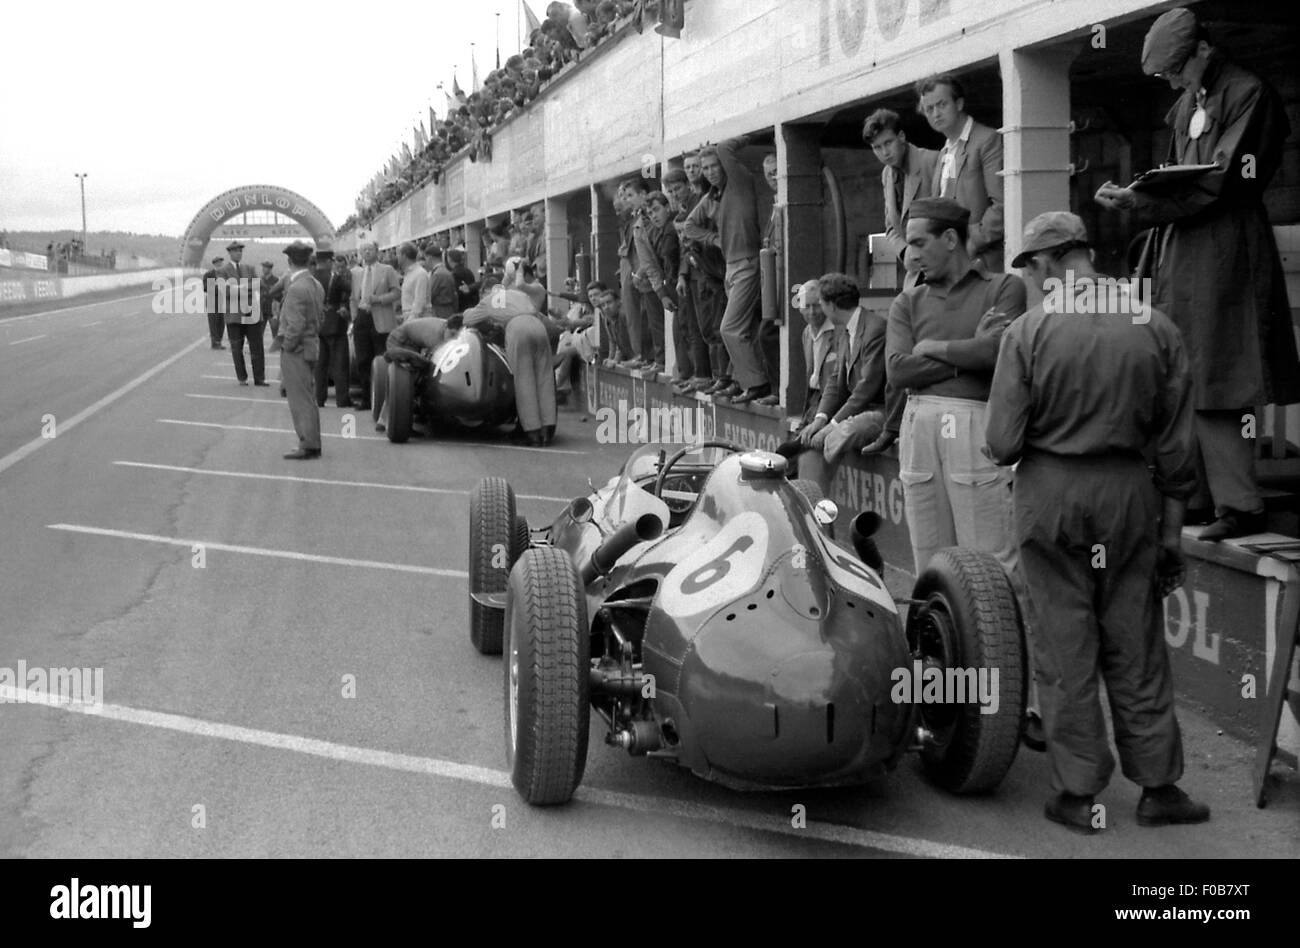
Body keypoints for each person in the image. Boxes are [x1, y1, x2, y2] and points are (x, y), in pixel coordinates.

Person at [986, 211, 1209, 832]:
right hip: (1131, 496)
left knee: (1065, 645)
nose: (1030, 278)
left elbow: (1002, 443)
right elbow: (1177, 451)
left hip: (1052, 495)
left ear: (1052, 261)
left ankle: (1080, 795)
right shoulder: (1157, 326)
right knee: (1135, 644)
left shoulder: (1028, 331)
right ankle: (1160, 788)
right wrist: (1170, 537)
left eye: (1030, 266)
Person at [1094, 7, 1299, 541]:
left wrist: (1143, 205)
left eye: (1175, 72)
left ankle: (1241, 505)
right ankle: (1201, 499)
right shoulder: (1189, 102)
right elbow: (1170, 180)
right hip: (1181, 248)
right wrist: (1133, 197)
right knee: (1183, 373)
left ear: (1203, 51)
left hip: (1225, 246)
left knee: (1219, 374)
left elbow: (1222, 183)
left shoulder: (1247, 93)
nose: (1172, 83)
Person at [887, 197, 1024, 577]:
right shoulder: (908, 301)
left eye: (918, 243)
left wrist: (932, 349)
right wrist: (966, 357)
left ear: (949, 238)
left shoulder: (1003, 288)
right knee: (930, 557)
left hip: (977, 424)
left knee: (989, 559)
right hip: (919, 428)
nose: (910, 256)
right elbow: (898, 371)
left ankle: (996, 637)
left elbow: (998, 352)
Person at [684, 137, 769, 403]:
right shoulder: (713, 197)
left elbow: (724, 148)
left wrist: (752, 130)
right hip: (730, 268)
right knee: (744, 329)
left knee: (730, 328)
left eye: (714, 166)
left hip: (747, 263)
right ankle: (742, 380)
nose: (710, 171)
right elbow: (689, 226)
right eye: (705, 168)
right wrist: (714, 239)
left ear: (725, 166)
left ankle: (758, 383)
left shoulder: (739, 182)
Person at [797, 273, 888, 489]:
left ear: (832, 306)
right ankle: (812, 501)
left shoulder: (875, 329)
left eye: (820, 303)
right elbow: (836, 379)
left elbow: (867, 387)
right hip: (857, 411)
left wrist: (832, 425)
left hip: (880, 411)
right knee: (816, 439)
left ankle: (814, 496)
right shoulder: (846, 329)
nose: (817, 310)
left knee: (833, 435)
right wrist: (820, 419)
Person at [916, 75, 1004, 274]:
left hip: (984, 263)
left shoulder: (987, 140)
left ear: (959, 103)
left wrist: (973, 243)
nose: (936, 113)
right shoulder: (944, 153)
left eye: (942, 104)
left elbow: (1002, 203)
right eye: (929, 109)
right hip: (951, 263)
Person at [464, 282, 557, 446]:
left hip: (517, 329)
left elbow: (468, 319)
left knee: (524, 380)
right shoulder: (519, 295)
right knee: (544, 379)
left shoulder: (488, 301)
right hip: (538, 326)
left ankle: (532, 433)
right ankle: (546, 431)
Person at [865, 108, 939, 291]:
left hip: (941, 268)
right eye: (877, 147)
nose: (885, 152)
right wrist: (905, 250)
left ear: (902, 136)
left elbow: (950, 213)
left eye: (888, 143)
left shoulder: (934, 160)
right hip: (914, 275)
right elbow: (890, 226)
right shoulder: (886, 175)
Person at [775, 279, 840, 467]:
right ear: (800, 308)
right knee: (786, 455)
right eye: (807, 307)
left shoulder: (839, 332)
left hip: (831, 405)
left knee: (791, 454)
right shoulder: (806, 334)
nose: (812, 312)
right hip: (813, 404)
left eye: (817, 306)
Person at [276, 241, 324, 460]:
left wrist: (286, 347)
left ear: (289, 261)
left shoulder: (296, 288)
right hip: (311, 345)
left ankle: (308, 443)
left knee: (299, 399)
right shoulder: (315, 284)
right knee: (309, 397)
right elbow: (319, 318)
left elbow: (295, 326)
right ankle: (313, 440)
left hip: (297, 350)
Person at [351, 240, 401, 410]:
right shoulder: (356, 273)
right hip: (362, 317)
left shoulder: (387, 270)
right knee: (362, 359)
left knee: (381, 358)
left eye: (370, 250)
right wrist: (354, 316)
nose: (366, 253)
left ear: (377, 251)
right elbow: (353, 297)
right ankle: (366, 398)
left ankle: (383, 399)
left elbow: (396, 292)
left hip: (381, 318)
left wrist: (379, 300)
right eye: (363, 250)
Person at [315, 251, 353, 409]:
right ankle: (342, 399)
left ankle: (319, 398)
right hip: (335, 322)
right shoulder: (336, 277)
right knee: (339, 363)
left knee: (321, 364)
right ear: (330, 261)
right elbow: (351, 288)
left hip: (319, 322)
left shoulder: (313, 277)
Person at [398, 242, 431, 321]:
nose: (397, 257)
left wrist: (409, 321)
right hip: (410, 317)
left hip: (419, 320)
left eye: (398, 254)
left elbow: (419, 302)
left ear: (404, 256)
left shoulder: (420, 273)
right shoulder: (408, 274)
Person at [425, 245, 458, 318]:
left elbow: (429, 294)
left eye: (426, 259)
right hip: (449, 309)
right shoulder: (446, 271)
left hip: (440, 311)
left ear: (429, 258)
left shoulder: (438, 274)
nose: (426, 262)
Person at [202, 256, 226, 349]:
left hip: (223, 302)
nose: (220, 264)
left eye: (221, 262)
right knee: (214, 323)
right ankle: (215, 343)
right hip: (212, 302)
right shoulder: (208, 274)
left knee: (221, 323)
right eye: (218, 263)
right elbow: (205, 288)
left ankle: (218, 341)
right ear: (214, 264)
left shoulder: (225, 274)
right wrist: (218, 287)